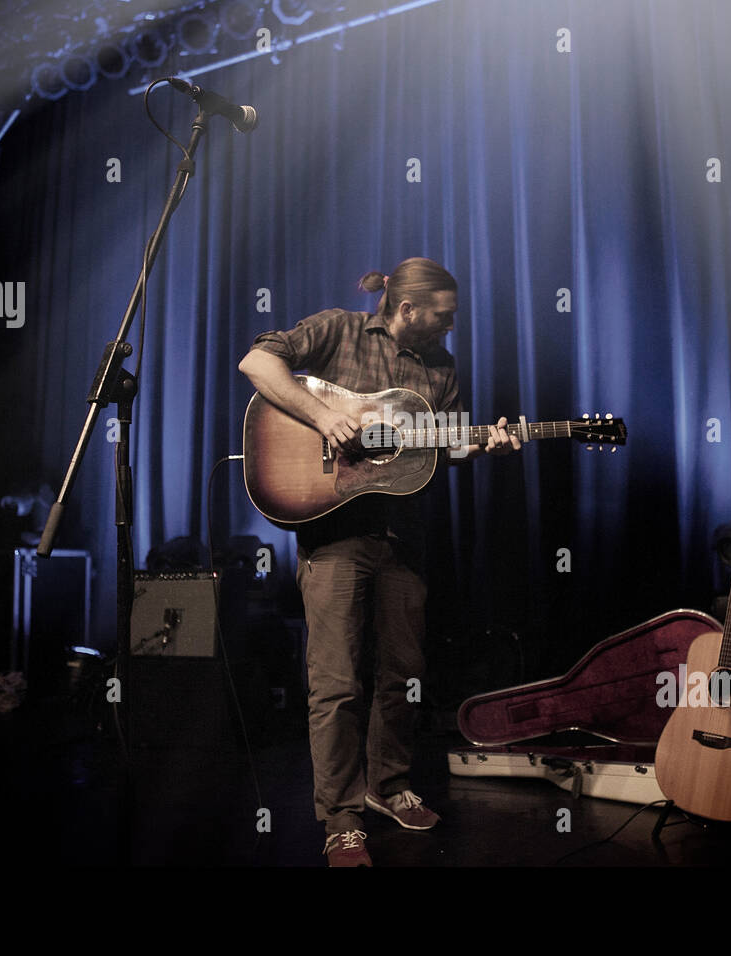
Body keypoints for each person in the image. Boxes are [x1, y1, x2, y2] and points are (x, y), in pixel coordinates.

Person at [238, 257, 520, 866]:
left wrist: (482, 443)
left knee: (403, 671)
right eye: (442, 317)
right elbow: (257, 361)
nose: (450, 328)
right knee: (337, 681)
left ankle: (387, 785)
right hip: (334, 531)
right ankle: (340, 817)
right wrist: (324, 416)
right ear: (408, 309)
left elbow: (440, 447)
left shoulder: (440, 368)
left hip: (403, 536)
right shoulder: (338, 329)